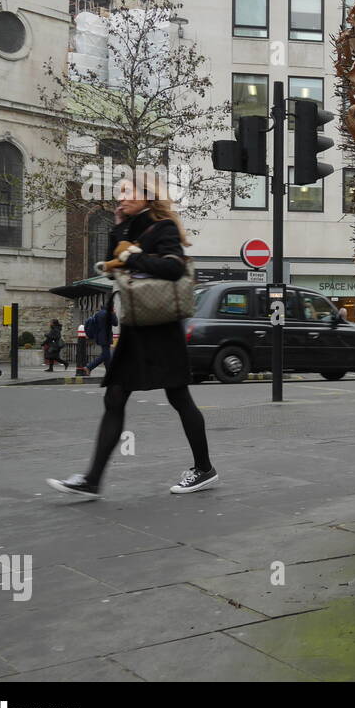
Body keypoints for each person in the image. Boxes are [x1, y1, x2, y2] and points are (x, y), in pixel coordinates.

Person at [47, 173, 217, 497]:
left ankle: (204, 468)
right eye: (118, 193)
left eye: (127, 192)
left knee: (178, 397)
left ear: (148, 195)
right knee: (114, 396)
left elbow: (173, 269)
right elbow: (116, 264)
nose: (121, 198)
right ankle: (92, 479)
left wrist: (130, 256)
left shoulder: (163, 228)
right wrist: (118, 228)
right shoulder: (125, 227)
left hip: (162, 327)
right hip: (135, 326)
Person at [78, 298, 117, 376]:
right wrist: (114, 313)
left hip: (99, 337)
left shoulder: (98, 313)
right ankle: (89, 367)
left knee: (107, 355)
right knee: (105, 355)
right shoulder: (109, 313)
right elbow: (115, 323)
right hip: (106, 337)